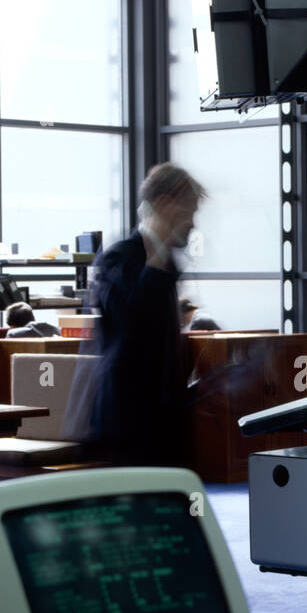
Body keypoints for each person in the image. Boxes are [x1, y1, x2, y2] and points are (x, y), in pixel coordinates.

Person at [85, 163, 206, 466]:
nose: (192, 224)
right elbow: (131, 324)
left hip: (163, 422)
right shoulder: (118, 258)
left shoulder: (168, 265)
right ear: (164, 205)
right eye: (188, 212)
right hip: (127, 423)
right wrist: (156, 260)